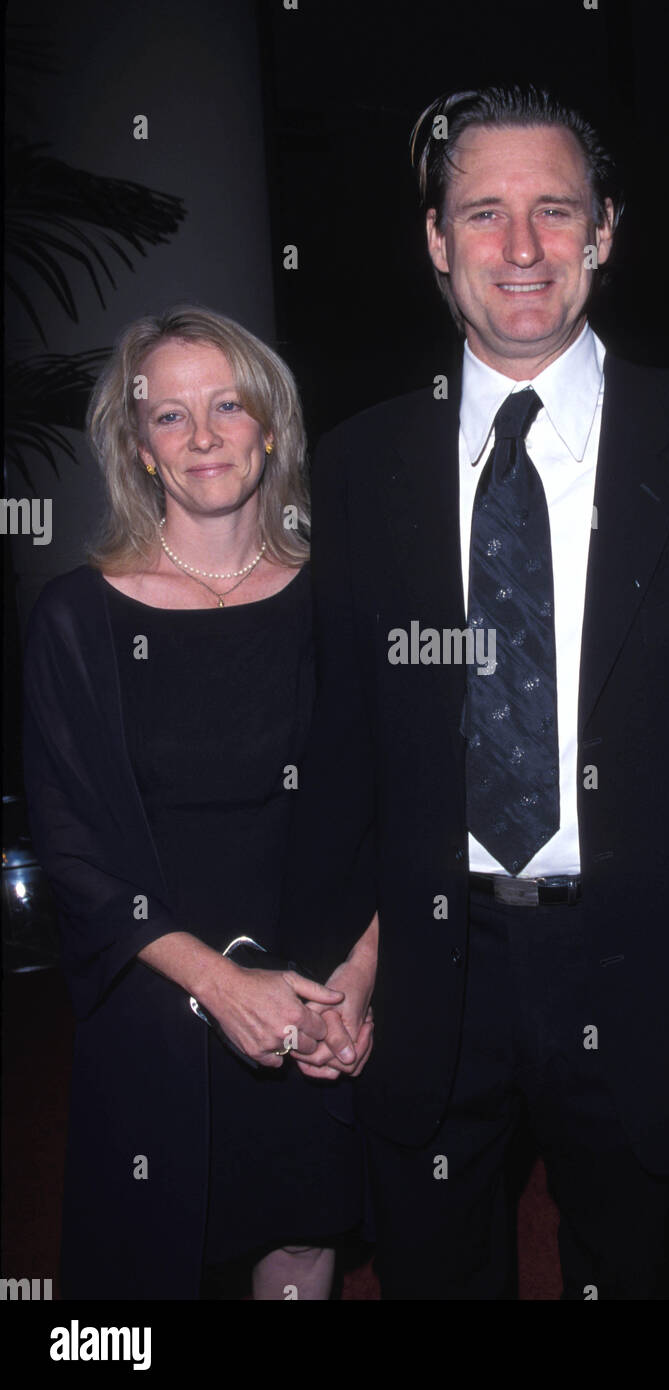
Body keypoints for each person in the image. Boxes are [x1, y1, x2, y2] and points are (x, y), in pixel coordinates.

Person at [288, 85, 669, 1300]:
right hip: (428, 970)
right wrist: (327, 966)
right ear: (436, 240)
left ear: (604, 231)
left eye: (553, 211)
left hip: (645, 961)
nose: (520, 249)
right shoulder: (361, 463)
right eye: (483, 213)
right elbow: (339, 749)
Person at [22, 305, 373, 1300]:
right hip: (156, 999)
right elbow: (74, 850)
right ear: (137, 450)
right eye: (169, 416)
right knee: (147, 1259)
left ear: (271, 425)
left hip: (317, 990)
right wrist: (219, 987)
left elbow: (402, 807)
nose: (205, 435)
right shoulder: (75, 619)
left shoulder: (340, 599)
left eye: (227, 404)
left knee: (304, 1240)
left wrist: (360, 977)